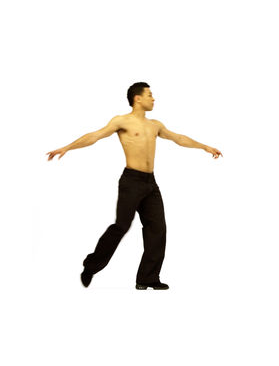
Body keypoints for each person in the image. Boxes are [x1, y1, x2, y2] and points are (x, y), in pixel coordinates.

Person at [46, 82, 223, 290]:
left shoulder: (155, 125)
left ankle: (147, 278)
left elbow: (179, 138)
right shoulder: (122, 121)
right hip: (131, 181)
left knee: (158, 229)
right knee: (121, 226)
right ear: (137, 98)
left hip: (151, 183)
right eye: (149, 94)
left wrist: (205, 147)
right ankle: (91, 266)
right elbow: (95, 136)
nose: (153, 98)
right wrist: (67, 147)